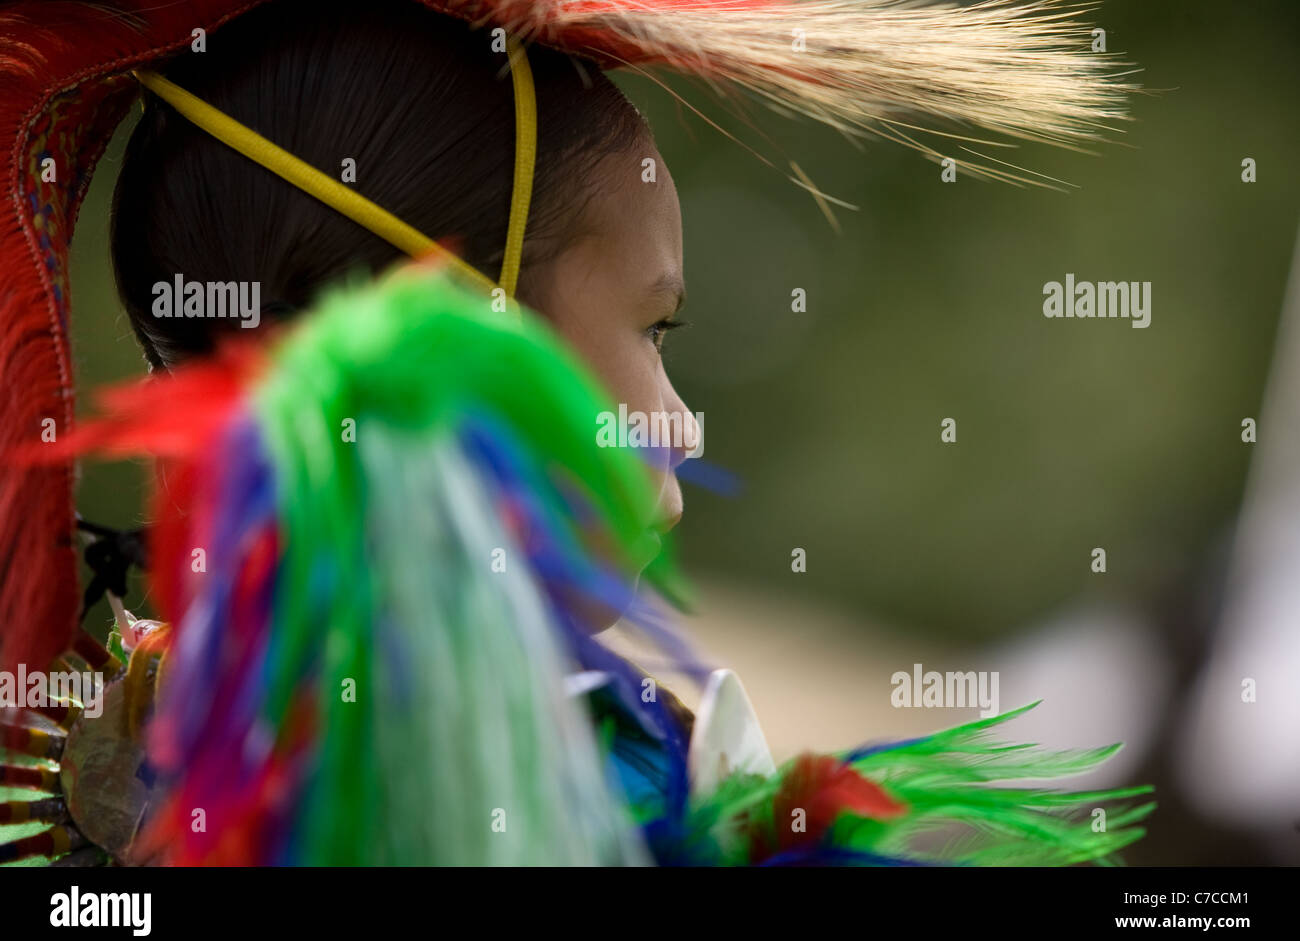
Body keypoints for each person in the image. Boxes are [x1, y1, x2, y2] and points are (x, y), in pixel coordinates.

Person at [0, 0, 1152, 866]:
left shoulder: (100, 777)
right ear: (459, 354)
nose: (685, 423)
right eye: (655, 327)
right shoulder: (605, 790)